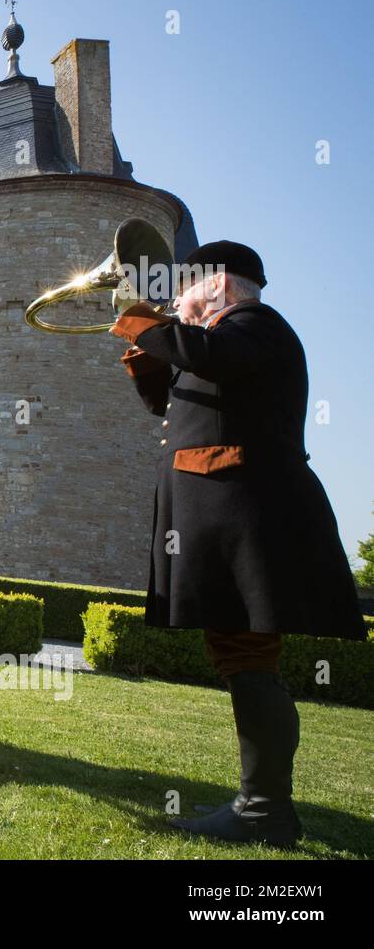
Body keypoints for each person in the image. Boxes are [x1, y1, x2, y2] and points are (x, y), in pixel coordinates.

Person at [110, 240, 365, 847]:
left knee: (249, 658)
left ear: (218, 284)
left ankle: (263, 810)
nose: (175, 298)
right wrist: (148, 352)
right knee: (240, 656)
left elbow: (211, 358)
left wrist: (140, 316)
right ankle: (261, 804)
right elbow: (168, 405)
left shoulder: (256, 325)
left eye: (184, 287)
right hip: (221, 517)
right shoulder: (221, 343)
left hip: (244, 516)